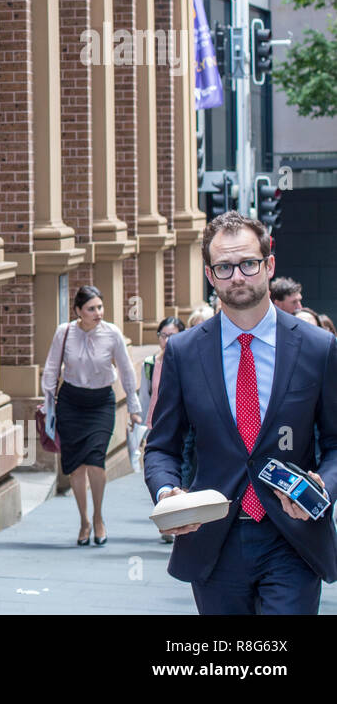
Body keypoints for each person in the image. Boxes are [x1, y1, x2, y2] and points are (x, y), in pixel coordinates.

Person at [144, 212, 337, 615]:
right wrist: (168, 494)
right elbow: (162, 447)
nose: (237, 276)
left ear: (269, 264)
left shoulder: (318, 348)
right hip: (212, 537)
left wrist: (324, 486)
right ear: (210, 275)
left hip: (293, 536)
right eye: (224, 267)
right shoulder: (184, 352)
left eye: (248, 263)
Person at [41, 285, 142, 547]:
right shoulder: (64, 332)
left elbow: (127, 371)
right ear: (78, 311)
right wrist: (48, 404)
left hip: (101, 404)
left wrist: (134, 408)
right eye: (91, 308)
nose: (98, 313)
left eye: (100, 307)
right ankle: (84, 520)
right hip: (71, 403)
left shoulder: (112, 333)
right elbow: (51, 369)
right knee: (76, 466)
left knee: (96, 461)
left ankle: (98, 517)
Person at [140, 316, 186, 543]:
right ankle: (168, 512)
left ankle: (179, 512)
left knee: (183, 469)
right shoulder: (151, 364)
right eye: (163, 335)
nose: (167, 341)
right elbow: (145, 395)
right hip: (155, 424)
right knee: (161, 466)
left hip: (182, 426)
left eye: (172, 336)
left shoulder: (187, 361)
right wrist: (140, 424)